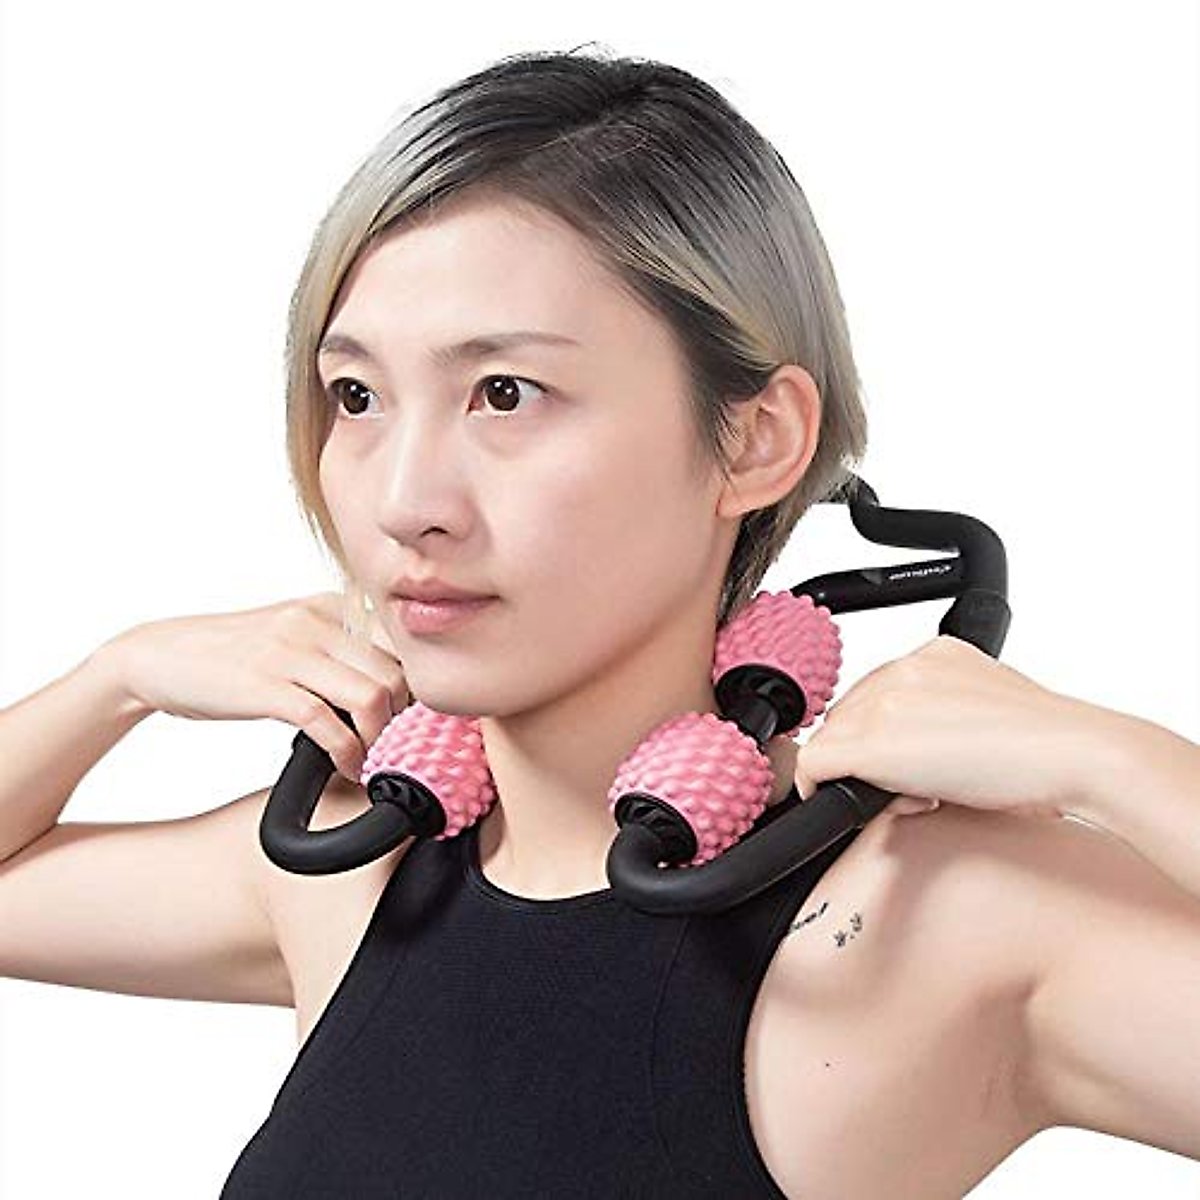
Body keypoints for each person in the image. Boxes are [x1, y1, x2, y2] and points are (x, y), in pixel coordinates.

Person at [2, 45, 1198, 1199]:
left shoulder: (932, 915)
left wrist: (1119, 763)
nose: (405, 502)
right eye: (356, 396)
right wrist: (118, 678)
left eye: (504, 393)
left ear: (755, 441)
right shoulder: (346, 864)